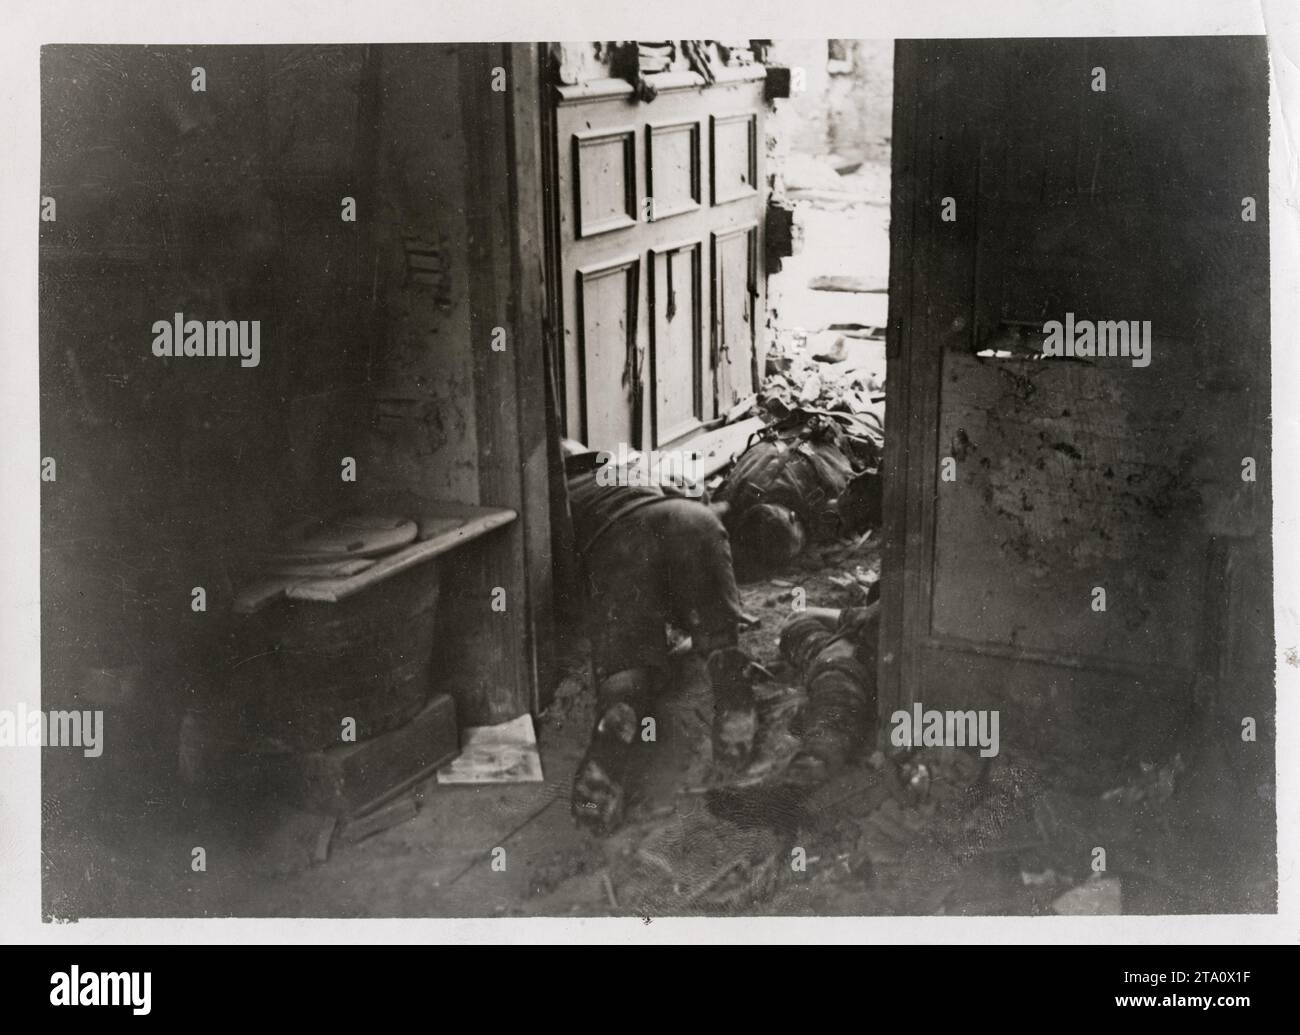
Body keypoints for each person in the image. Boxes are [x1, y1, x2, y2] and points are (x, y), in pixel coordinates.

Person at [563, 440, 758, 833]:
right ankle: (732, 692)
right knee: (716, 630)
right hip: (688, 517)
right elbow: (709, 504)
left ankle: (618, 720)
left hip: (617, 542)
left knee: (627, 669)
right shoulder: (629, 471)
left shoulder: (562, 497)